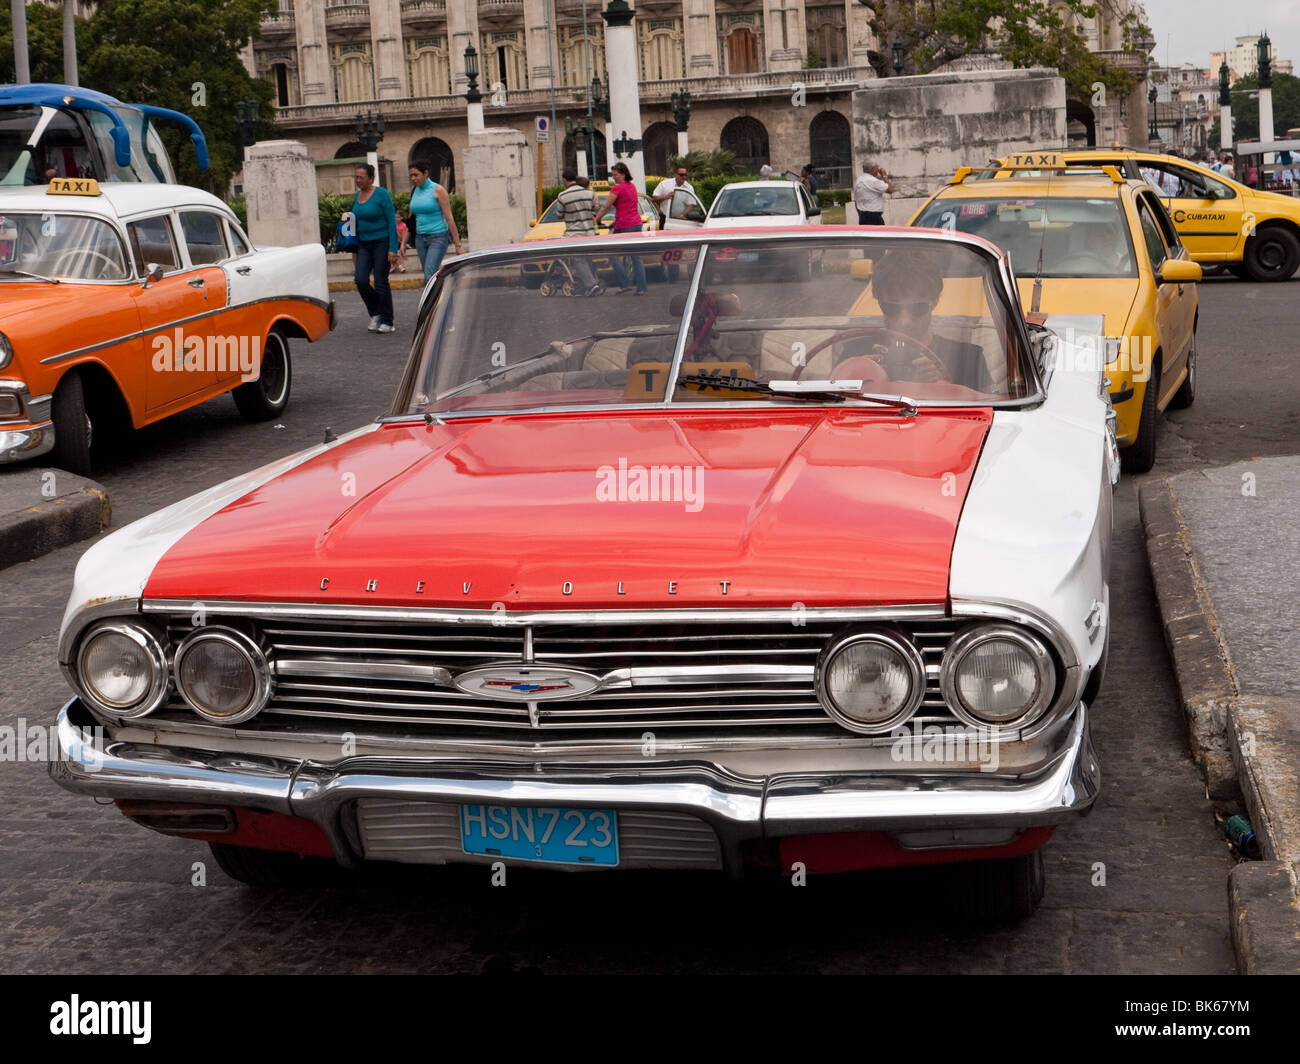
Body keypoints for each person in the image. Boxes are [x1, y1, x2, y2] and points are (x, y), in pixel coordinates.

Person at [837, 250, 990, 390]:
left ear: (934, 301)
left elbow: (990, 408)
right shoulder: (854, 354)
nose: (904, 321)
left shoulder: (968, 359)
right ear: (879, 303)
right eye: (891, 308)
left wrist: (943, 385)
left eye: (917, 308)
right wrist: (855, 375)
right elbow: (828, 406)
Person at [349, 164, 400, 333]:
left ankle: (388, 321)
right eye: (356, 177)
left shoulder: (382, 194)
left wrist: (393, 248)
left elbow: (392, 222)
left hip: (382, 242)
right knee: (360, 280)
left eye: (361, 177)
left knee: (380, 281)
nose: (357, 180)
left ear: (371, 178)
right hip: (364, 243)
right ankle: (376, 312)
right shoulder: (357, 196)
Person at [407, 159, 464, 286]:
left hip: (438, 236)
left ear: (425, 173)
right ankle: (444, 299)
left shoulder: (438, 190)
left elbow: (449, 218)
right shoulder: (413, 190)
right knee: (431, 275)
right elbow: (411, 219)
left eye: (416, 175)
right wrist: (402, 244)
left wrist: (458, 245)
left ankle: (434, 304)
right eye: (411, 175)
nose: (413, 178)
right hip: (420, 238)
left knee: (429, 276)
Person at [595, 161, 647, 294]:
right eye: (612, 175)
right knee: (636, 257)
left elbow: (606, 206)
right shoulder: (632, 186)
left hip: (625, 225)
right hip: (636, 224)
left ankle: (625, 284)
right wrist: (615, 221)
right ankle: (641, 288)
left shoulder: (617, 188)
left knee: (612, 253)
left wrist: (596, 219)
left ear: (623, 174)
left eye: (616, 175)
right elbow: (627, 206)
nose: (614, 178)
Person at [555, 167, 602, 296]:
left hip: (574, 234)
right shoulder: (589, 193)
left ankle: (591, 285)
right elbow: (593, 209)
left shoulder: (562, 196)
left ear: (564, 180)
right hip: (589, 232)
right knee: (586, 259)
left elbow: (559, 214)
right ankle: (583, 286)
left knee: (578, 260)